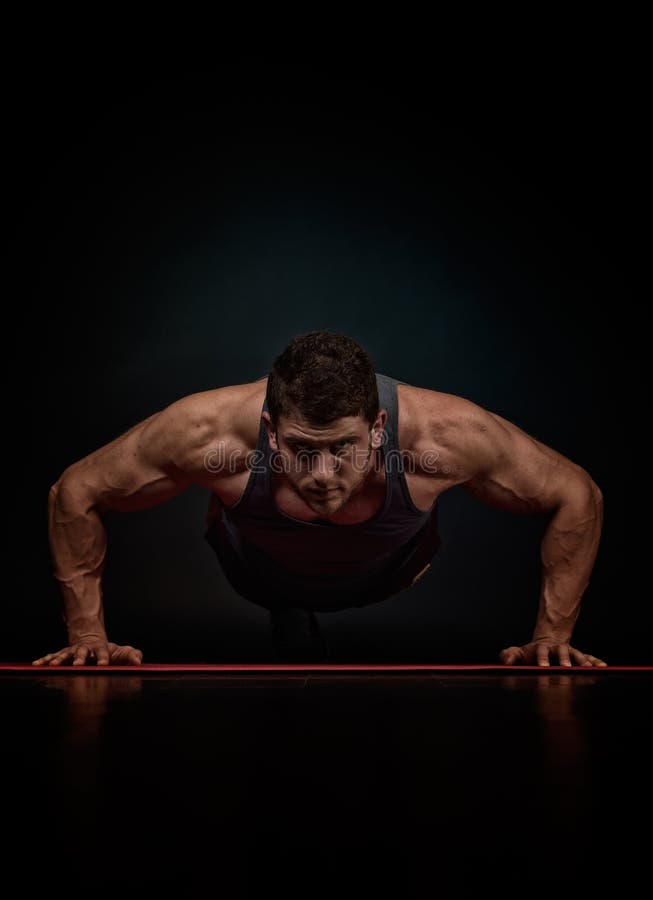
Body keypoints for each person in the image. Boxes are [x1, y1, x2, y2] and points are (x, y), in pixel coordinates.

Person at [33, 330, 606, 668]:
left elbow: (577, 493)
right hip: (257, 573)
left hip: (390, 572)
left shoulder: (446, 435)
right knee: (230, 498)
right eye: (302, 450)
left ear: (378, 426)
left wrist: (551, 637)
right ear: (270, 426)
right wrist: (87, 637)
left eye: (344, 449)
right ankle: (289, 605)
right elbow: (75, 491)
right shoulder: (208, 431)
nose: (323, 475)